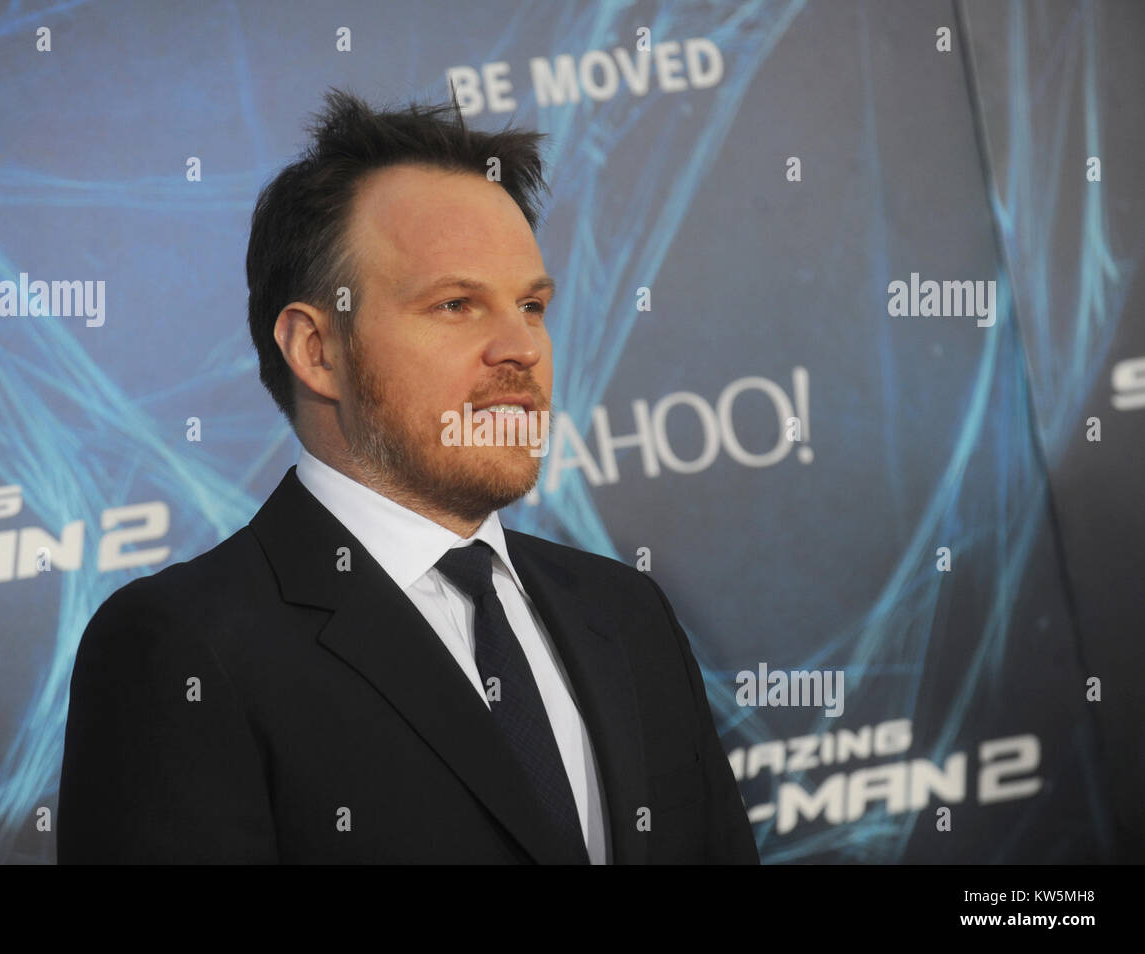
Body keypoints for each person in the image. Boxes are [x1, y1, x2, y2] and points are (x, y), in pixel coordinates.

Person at [58, 88, 758, 865]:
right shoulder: (184, 649)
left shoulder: (627, 615)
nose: (519, 347)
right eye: (457, 304)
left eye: (531, 304)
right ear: (317, 350)